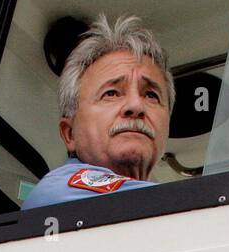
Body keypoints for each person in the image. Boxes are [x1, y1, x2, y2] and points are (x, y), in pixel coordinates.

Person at [22, 14, 174, 210]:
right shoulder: (61, 192)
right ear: (70, 134)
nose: (136, 106)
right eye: (111, 93)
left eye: (151, 95)